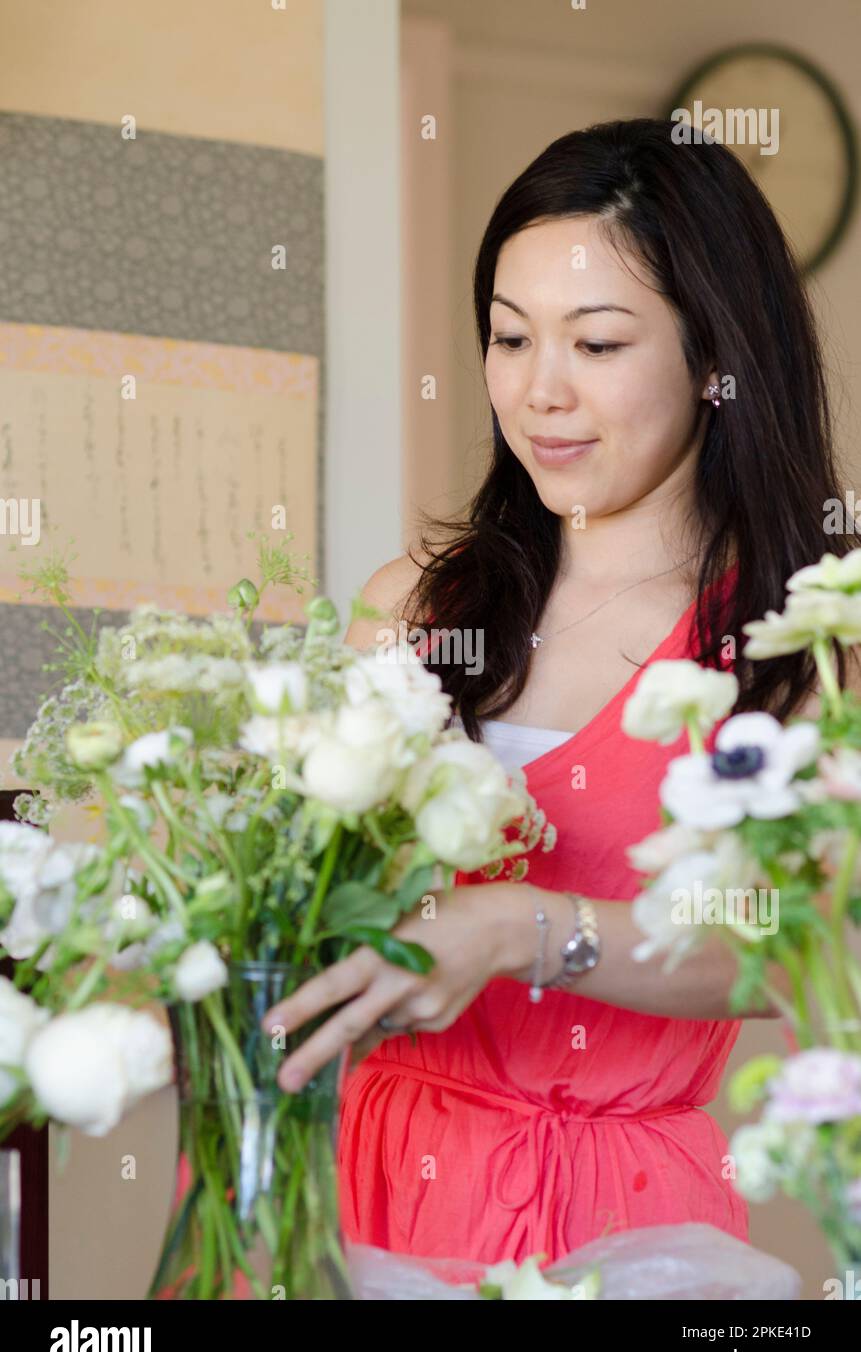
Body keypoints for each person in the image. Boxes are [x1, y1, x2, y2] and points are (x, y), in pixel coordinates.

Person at [261, 118, 859, 1265]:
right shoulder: (415, 609)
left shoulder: (802, 644)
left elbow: (797, 950)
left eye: (595, 344)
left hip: (627, 1223)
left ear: (715, 359)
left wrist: (528, 928)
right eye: (508, 337)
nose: (539, 393)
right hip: (365, 1184)